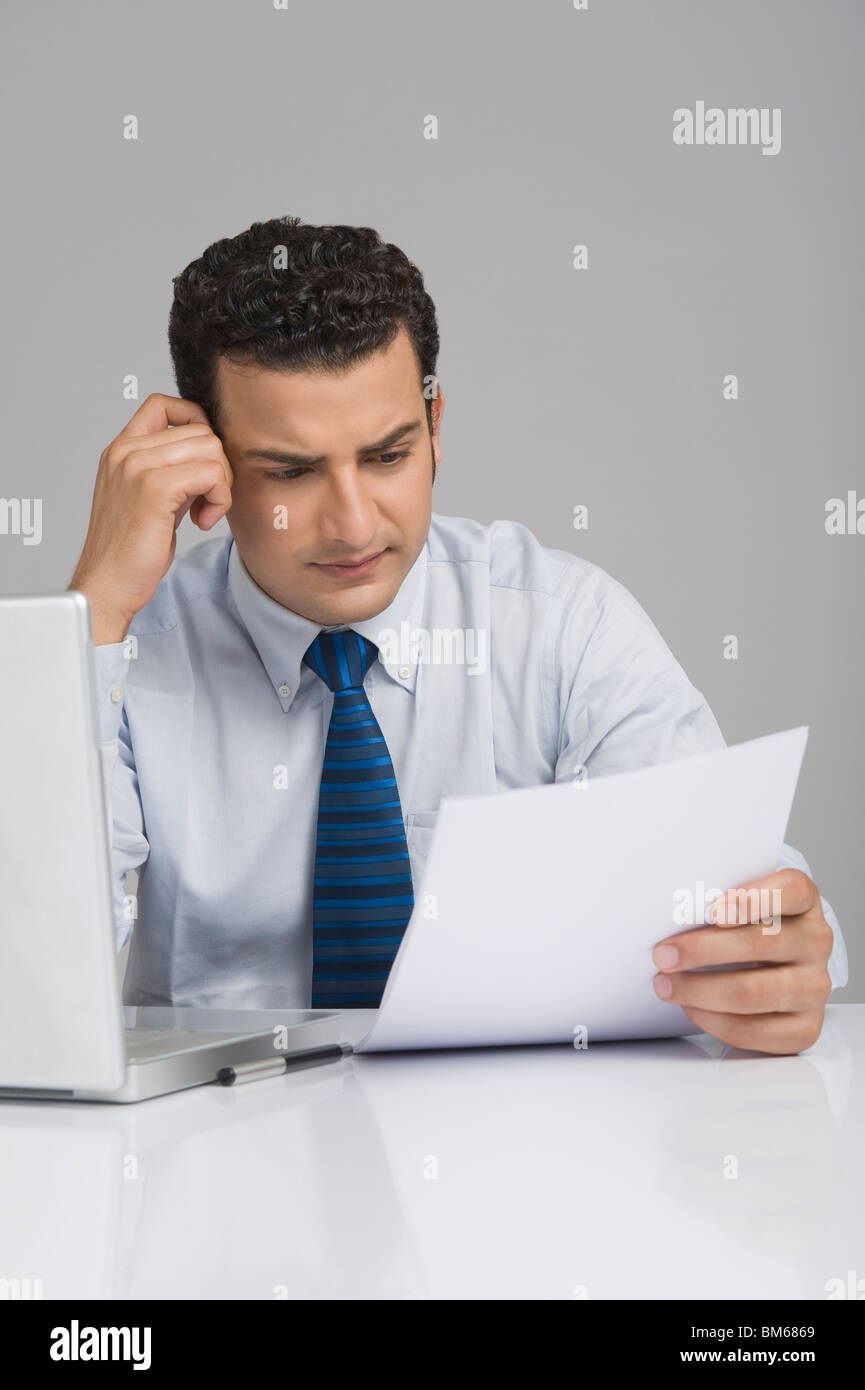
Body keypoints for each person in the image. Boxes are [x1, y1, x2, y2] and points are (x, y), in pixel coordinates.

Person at [69, 215, 846, 1053]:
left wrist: (775, 958)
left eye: (387, 456)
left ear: (435, 426)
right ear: (204, 461)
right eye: (291, 471)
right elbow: (27, 965)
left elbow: (727, 895)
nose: (354, 523)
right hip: (211, 1157)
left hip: (511, 1153)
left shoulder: (560, 628)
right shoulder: (128, 645)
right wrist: (94, 608)